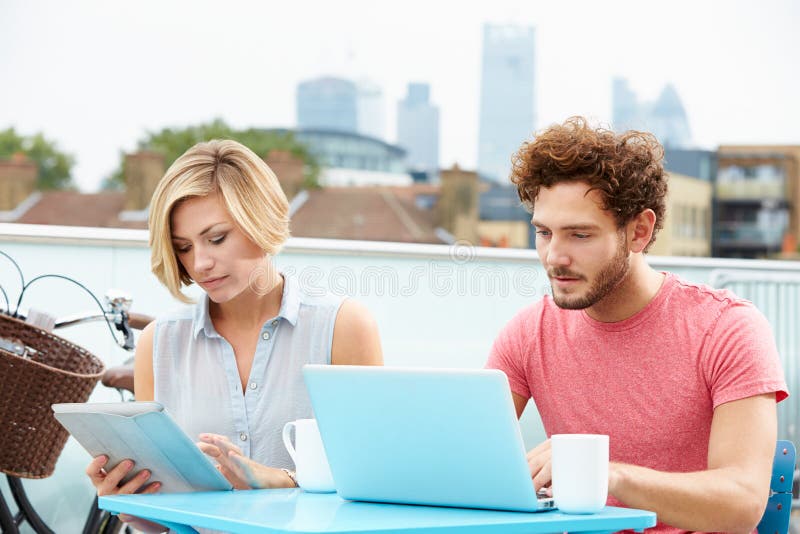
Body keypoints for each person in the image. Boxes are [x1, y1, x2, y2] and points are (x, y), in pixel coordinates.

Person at [486, 117, 788, 533]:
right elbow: (471, 461)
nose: (554, 256)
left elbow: (742, 503)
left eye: (579, 235)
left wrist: (609, 475)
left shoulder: (728, 328)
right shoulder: (527, 333)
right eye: (544, 233)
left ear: (639, 231)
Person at [85, 140, 383, 532]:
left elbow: (372, 493)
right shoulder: (158, 344)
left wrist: (281, 481)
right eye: (183, 248)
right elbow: (161, 522)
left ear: (260, 219)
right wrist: (128, 501)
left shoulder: (343, 327)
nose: (200, 263)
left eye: (216, 238)